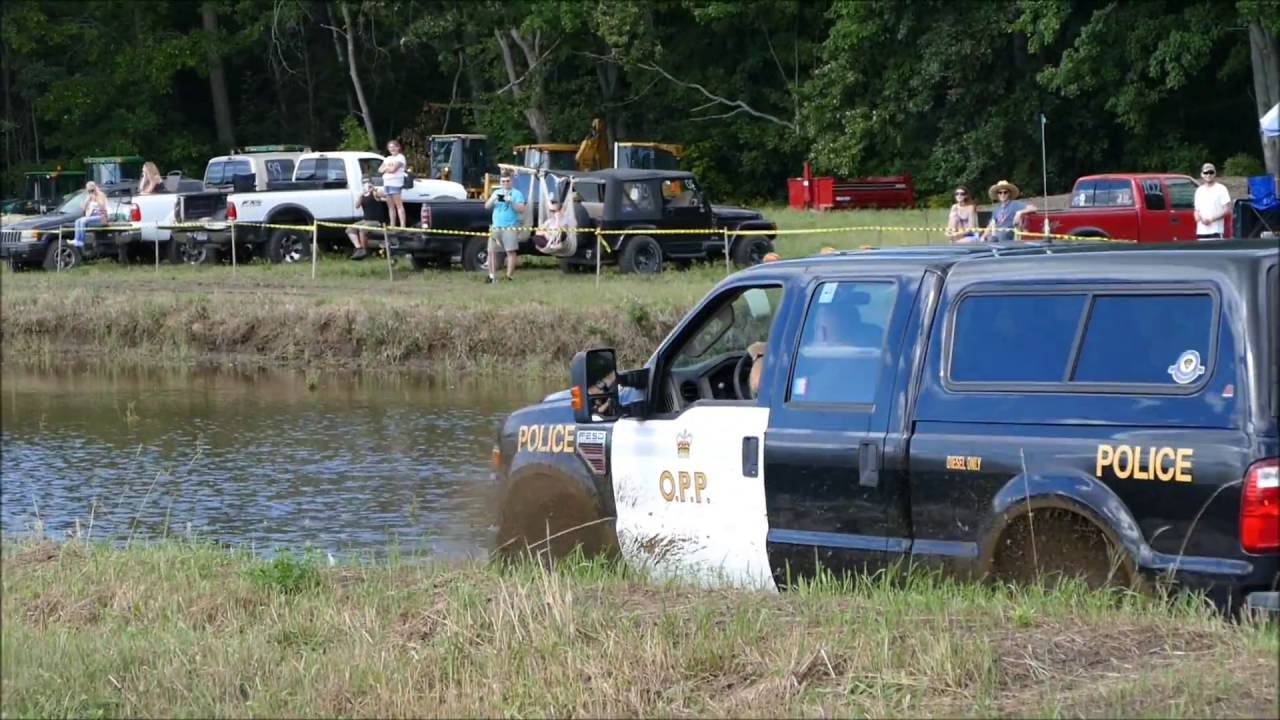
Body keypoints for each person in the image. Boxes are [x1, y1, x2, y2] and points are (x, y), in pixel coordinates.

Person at [484, 171, 526, 283]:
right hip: (496, 226)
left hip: (510, 226)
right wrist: (492, 199)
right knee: (491, 251)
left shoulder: (517, 194)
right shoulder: (496, 192)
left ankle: (509, 277)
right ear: (500, 182)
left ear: (511, 181)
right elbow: (486, 206)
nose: (505, 183)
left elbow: (521, 209)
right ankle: (492, 276)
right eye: (503, 181)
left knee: (510, 251)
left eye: (507, 181)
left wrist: (511, 201)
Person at [346, 179, 387, 260]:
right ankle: (359, 248)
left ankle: (364, 251)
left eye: (367, 182)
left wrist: (374, 189)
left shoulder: (374, 193)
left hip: (376, 221)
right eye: (364, 183)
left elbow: (384, 195)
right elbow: (357, 206)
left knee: (362, 229)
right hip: (366, 220)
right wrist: (361, 195)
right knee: (349, 229)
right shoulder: (362, 195)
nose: (366, 184)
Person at [1193, 162, 1231, 240]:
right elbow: (1196, 210)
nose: (1208, 175)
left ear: (1215, 174)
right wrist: (1198, 217)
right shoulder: (1199, 190)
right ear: (1202, 174)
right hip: (1201, 232)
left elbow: (1227, 210)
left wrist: (1211, 219)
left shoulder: (1221, 189)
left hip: (1216, 232)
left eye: (1211, 172)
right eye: (1206, 173)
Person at [379, 139, 407, 229]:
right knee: (390, 206)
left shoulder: (400, 157)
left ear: (398, 147)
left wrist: (386, 168)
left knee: (398, 205)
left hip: (395, 183)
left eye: (394, 147)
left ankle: (402, 225)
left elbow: (393, 169)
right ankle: (392, 225)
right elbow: (380, 169)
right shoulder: (387, 158)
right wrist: (388, 168)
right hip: (386, 183)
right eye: (390, 147)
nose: (392, 149)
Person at [73, 181, 109, 247]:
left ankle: (81, 241)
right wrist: (87, 200)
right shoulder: (89, 197)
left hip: (100, 217)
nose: (91, 192)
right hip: (91, 217)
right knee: (77, 221)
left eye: (92, 190)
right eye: (89, 191)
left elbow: (103, 206)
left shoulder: (101, 195)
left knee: (83, 221)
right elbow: (83, 208)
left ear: (95, 188)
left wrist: (96, 197)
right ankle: (77, 240)